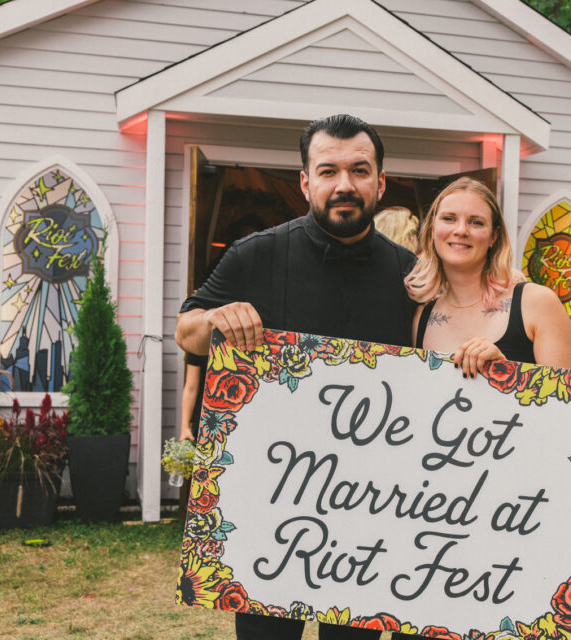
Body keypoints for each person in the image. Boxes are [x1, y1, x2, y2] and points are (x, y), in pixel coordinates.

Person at [175, 114, 417, 640]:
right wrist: (214, 321)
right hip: (269, 503)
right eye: (328, 171)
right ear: (306, 182)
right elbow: (185, 332)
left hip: (369, 513)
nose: (344, 185)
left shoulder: (412, 275)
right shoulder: (255, 255)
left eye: (359, 170)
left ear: (380, 181)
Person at [406, 177, 571, 372]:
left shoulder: (537, 303)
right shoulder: (421, 318)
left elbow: (569, 399)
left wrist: (505, 373)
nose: (461, 230)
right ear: (432, 229)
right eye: (448, 219)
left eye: (476, 222)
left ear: (493, 237)